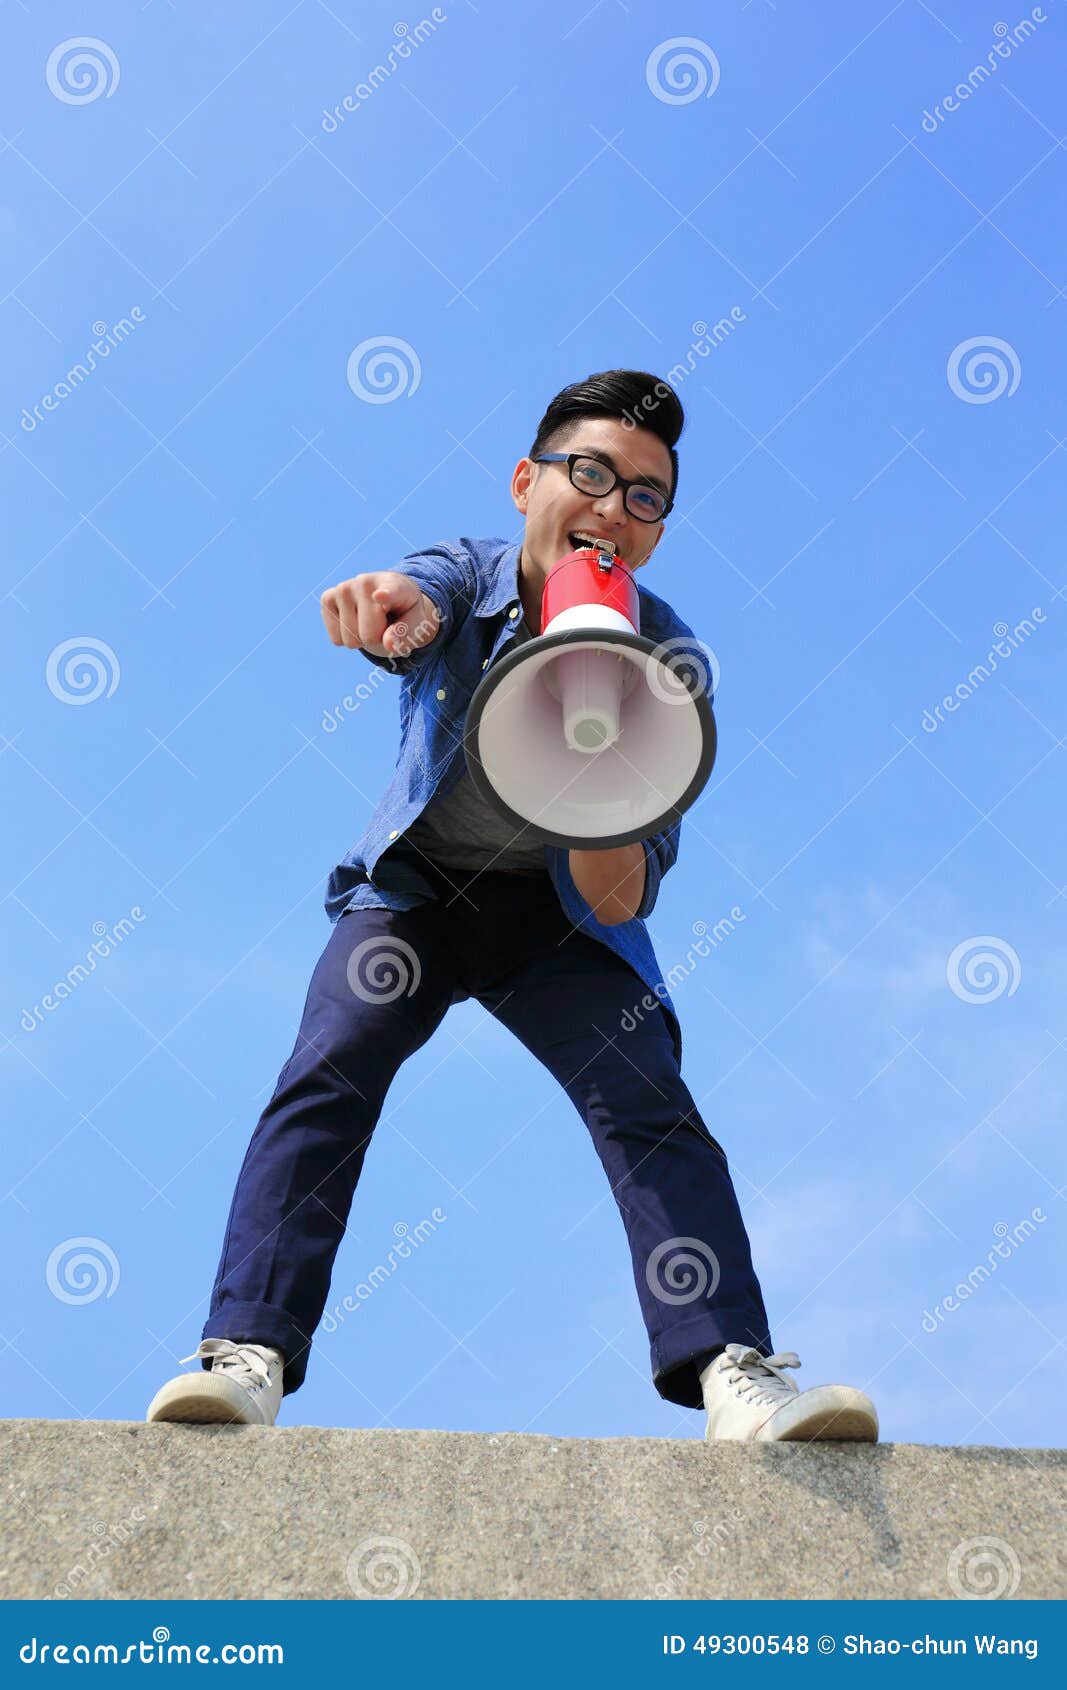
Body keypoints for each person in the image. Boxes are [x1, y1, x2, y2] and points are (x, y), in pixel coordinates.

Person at [146, 370, 878, 1444]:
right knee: (330, 1064)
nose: (613, 510)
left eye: (646, 498)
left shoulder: (668, 659)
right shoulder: (466, 572)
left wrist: (608, 753)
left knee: (646, 1097)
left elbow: (618, 894)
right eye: (590, 475)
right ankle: (245, 1349)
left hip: (559, 920)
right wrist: (388, 617)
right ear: (525, 480)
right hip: (416, 894)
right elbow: (416, 600)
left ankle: (731, 1367)